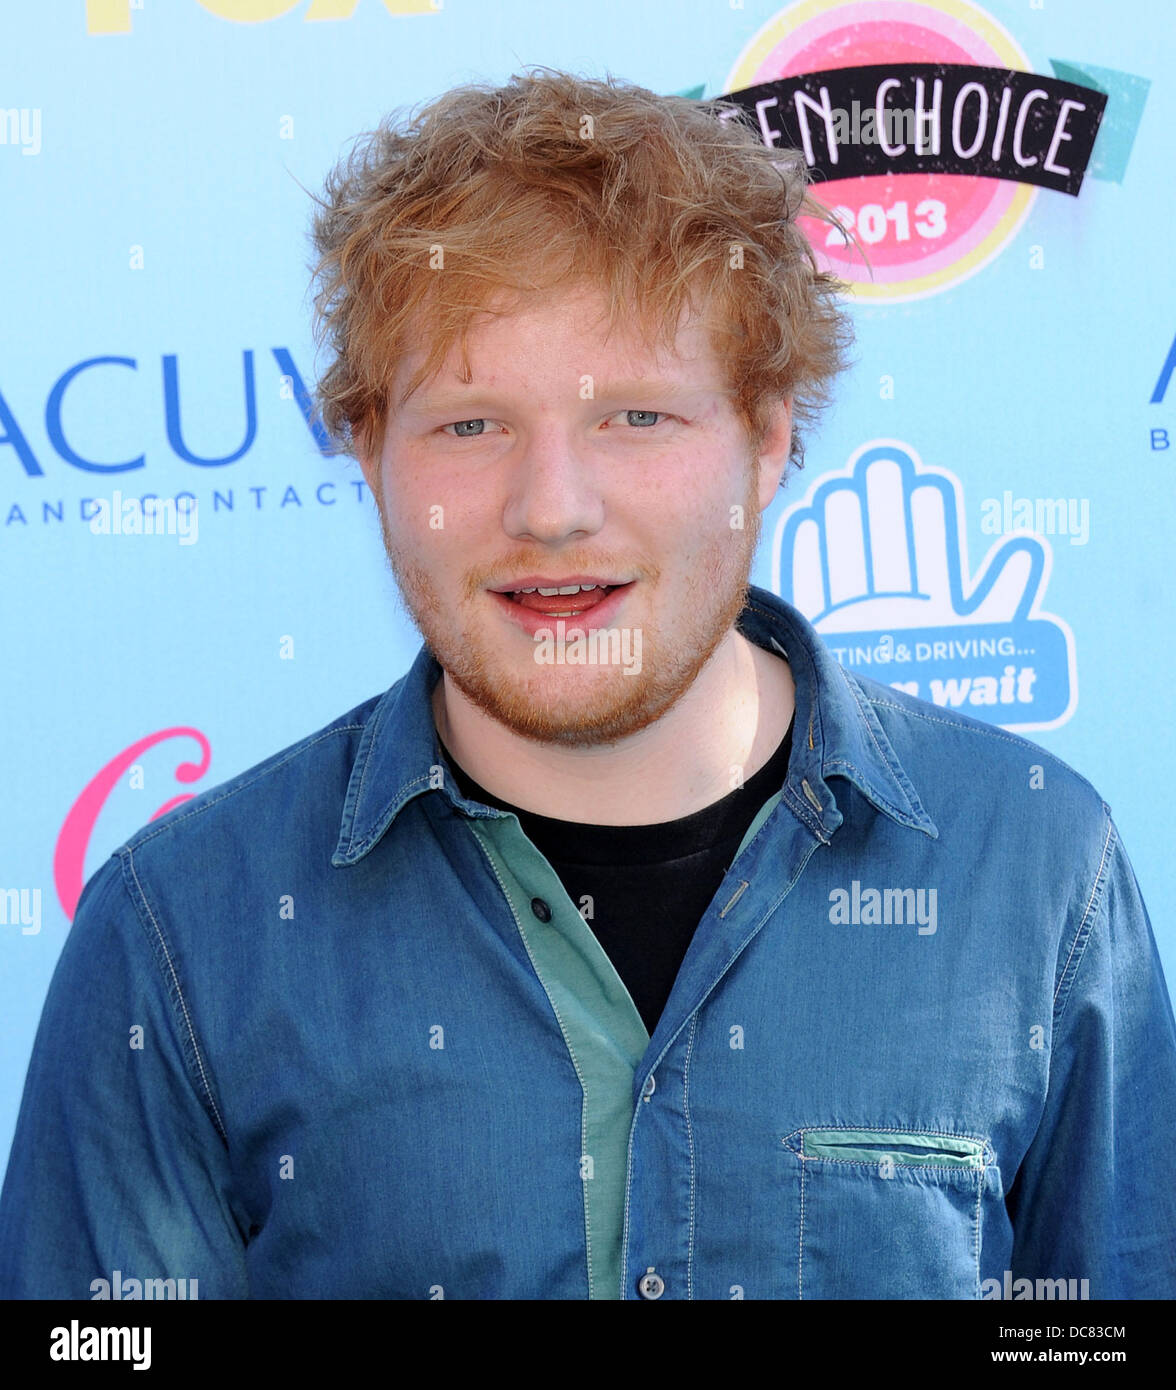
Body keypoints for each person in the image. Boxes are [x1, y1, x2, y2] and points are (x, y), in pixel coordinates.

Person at [2, 67, 1174, 1302]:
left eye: (637, 419)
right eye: (470, 425)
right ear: (367, 450)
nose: (550, 509)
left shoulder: (1035, 865)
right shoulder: (182, 932)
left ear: (769, 438)